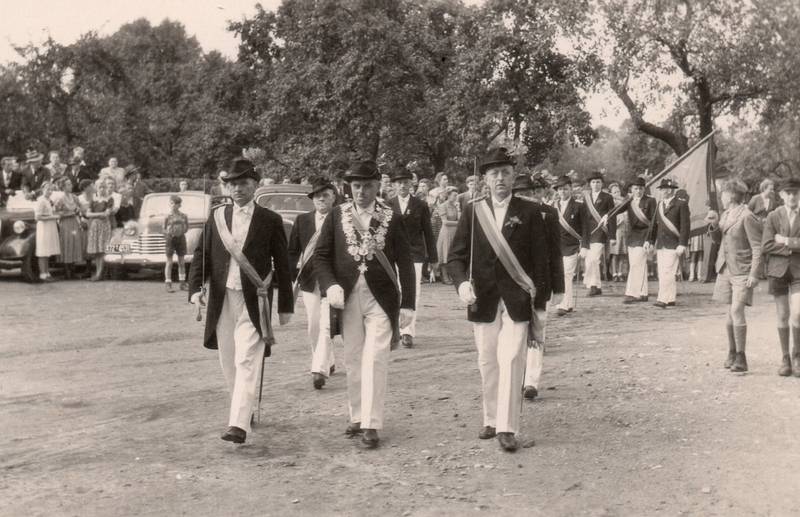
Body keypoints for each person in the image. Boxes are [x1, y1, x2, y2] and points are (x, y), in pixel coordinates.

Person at [447, 147, 552, 452]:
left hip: (518, 298)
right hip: (482, 298)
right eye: (494, 173)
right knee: (487, 360)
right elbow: (456, 257)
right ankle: (491, 418)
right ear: (485, 179)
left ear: (514, 176)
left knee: (512, 358)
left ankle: (507, 427)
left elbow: (541, 261)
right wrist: (461, 284)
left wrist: (541, 303)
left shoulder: (530, 212)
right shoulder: (473, 211)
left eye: (506, 172)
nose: (500, 178)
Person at [188, 158, 293, 445]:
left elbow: (283, 264)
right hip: (222, 298)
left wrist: (285, 305)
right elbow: (201, 255)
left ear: (255, 185)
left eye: (243, 183)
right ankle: (244, 409)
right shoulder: (217, 217)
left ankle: (237, 424)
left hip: (255, 298)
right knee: (229, 360)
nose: (237, 189)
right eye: (232, 184)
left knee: (246, 357)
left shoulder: (270, 220)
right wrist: (195, 289)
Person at [313, 159, 416, 449]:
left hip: (381, 299)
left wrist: (408, 303)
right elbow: (321, 256)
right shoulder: (337, 215)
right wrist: (330, 285)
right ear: (349, 187)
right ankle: (357, 416)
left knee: (375, 359)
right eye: (356, 186)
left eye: (367, 186)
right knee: (353, 359)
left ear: (378, 186)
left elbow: (406, 262)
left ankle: (372, 423)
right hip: (347, 298)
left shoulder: (392, 217)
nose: (361, 192)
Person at [512, 175, 564, 401]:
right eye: (519, 193)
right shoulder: (507, 213)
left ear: (535, 193)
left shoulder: (548, 213)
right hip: (513, 282)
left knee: (536, 331)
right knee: (514, 334)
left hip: (540, 282)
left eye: (527, 192)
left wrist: (559, 286)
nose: (524, 197)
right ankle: (516, 378)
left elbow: (555, 251)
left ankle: (531, 381)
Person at [705, 179, 762, 373]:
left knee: (737, 310)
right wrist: (713, 225)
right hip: (725, 268)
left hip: (742, 270)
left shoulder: (747, 216)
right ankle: (731, 352)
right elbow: (718, 240)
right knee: (729, 312)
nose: (721, 197)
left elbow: (757, 247)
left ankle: (741, 356)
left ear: (730, 196)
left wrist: (754, 273)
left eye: (722, 194)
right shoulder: (726, 214)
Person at [288, 177, 338, 389]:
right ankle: (328, 359)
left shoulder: (341, 219)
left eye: (325, 195)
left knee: (327, 324)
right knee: (313, 325)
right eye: (317, 196)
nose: (321, 199)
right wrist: (291, 277)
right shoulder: (302, 221)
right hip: (309, 280)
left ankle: (319, 368)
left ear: (333, 197)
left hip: (333, 280)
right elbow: (292, 252)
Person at [389, 167, 437, 348]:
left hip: (414, 254)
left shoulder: (420, 205)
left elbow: (428, 232)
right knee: (393, 291)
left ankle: (407, 331)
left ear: (411, 184)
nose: (402, 186)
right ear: (394, 185)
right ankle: (393, 328)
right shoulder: (387, 205)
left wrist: (433, 258)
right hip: (392, 255)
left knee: (412, 291)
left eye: (405, 182)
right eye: (399, 183)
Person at [761, 177, 800, 377]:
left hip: (799, 271)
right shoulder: (773, 216)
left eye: (795, 193)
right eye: (788, 193)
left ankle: (797, 356)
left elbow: (776, 242)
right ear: (782, 195)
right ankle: (785, 358)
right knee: (783, 315)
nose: (792, 196)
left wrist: (784, 240)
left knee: (798, 313)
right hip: (777, 271)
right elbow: (766, 245)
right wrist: (793, 246)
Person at [649, 178, 690, 308]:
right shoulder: (659, 205)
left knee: (667, 272)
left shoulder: (681, 204)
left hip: (674, 243)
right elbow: (654, 226)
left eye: (665, 189)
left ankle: (662, 299)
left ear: (671, 190)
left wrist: (682, 244)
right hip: (661, 243)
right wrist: (650, 241)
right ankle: (671, 298)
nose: (663, 191)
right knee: (664, 271)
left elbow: (685, 226)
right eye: (662, 189)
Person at [553, 175, 586, 316]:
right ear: (557, 191)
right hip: (557, 246)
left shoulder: (579, 206)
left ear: (570, 189)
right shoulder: (553, 206)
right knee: (560, 274)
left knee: (566, 274)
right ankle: (569, 303)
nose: (563, 192)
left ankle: (563, 305)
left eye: (565, 189)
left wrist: (584, 246)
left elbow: (585, 227)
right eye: (560, 189)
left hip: (572, 245)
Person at [580, 172, 616, 296]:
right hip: (587, 233)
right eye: (593, 182)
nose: (595, 184)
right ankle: (596, 286)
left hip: (600, 231)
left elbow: (612, 216)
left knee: (594, 259)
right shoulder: (586, 197)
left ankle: (593, 285)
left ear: (602, 184)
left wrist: (612, 236)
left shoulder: (607, 197)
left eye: (598, 182)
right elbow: (583, 217)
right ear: (590, 184)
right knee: (589, 260)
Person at [623, 177, 657, 304]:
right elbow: (617, 210)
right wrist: (607, 216)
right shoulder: (629, 201)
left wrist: (650, 239)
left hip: (644, 236)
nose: (638, 191)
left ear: (644, 189)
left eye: (641, 188)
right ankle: (643, 293)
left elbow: (653, 222)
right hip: (632, 237)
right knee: (638, 264)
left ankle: (633, 293)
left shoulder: (650, 201)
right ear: (632, 189)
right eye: (636, 188)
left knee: (636, 264)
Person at [54, 176, 84, 278]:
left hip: (74, 222)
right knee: (67, 244)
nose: (71, 186)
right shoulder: (60, 199)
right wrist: (67, 214)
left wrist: (78, 210)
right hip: (65, 223)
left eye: (70, 184)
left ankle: (73, 270)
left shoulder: (74, 197)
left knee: (74, 243)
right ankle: (67, 271)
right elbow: (55, 212)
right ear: (63, 187)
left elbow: (80, 208)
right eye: (68, 184)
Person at [34, 181, 61, 282]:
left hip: (50, 226)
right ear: (42, 189)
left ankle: (47, 272)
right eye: (47, 189)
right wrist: (53, 217)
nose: (49, 191)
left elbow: (50, 211)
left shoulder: (49, 200)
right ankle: (43, 274)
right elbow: (37, 217)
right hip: (44, 227)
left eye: (51, 189)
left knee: (47, 250)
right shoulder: (41, 200)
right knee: (43, 251)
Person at [163, 195, 189, 292]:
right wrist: (170, 233)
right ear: (169, 204)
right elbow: (163, 229)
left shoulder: (183, 216)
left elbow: (187, 227)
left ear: (179, 205)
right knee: (169, 262)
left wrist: (180, 231)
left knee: (181, 262)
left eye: (176, 204)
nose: (173, 205)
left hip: (181, 239)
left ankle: (182, 283)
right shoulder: (167, 216)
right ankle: (168, 284)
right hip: (170, 239)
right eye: (171, 203)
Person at [608, 182, 628, 282]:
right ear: (611, 193)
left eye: (618, 191)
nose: (617, 193)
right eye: (615, 192)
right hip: (615, 230)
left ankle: (620, 272)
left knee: (622, 253)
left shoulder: (624, 202)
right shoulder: (611, 203)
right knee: (615, 253)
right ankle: (614, 273)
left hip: (624, 229)